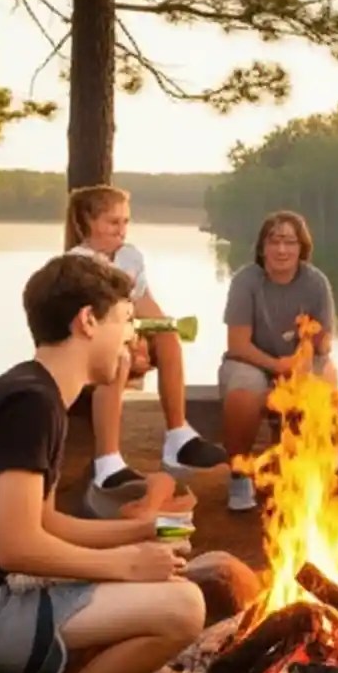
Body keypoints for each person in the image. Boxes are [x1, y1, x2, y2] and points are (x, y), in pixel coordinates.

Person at [0, 254, 205, 673]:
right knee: (184, 607)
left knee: (168, 585)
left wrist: (146, 530)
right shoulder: (31, 405)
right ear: (87, 321)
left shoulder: (35, 391)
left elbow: (46, 522)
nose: (133, 339)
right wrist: (126, 564)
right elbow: (17, 546)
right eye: (126, 321)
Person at [63, 185, 226, 499]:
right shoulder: (77, 265)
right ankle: (107, 463)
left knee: (168, 335)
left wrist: (158, 331)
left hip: (126, 336)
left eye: (125, 221)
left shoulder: (130, 256)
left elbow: (146, 305)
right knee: (120, 357)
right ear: (88, 221)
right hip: (89, 346)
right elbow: (89, 324)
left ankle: (178, 437)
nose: (122, 230)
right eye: (113, 222)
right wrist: (130, 341)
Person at [218, 210, 338, 512]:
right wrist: (277, 367)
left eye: (289, 242)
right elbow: (238, 344)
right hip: (252, 359)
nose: (282, 249)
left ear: (302, 247)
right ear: (262, 247)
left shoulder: (316, 283)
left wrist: (301, 359)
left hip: (301, 360)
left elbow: (323, 343)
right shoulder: (246, 281)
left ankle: (301, 472)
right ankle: (240, 474)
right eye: (274, 241)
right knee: (244, 391)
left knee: (323, 383)